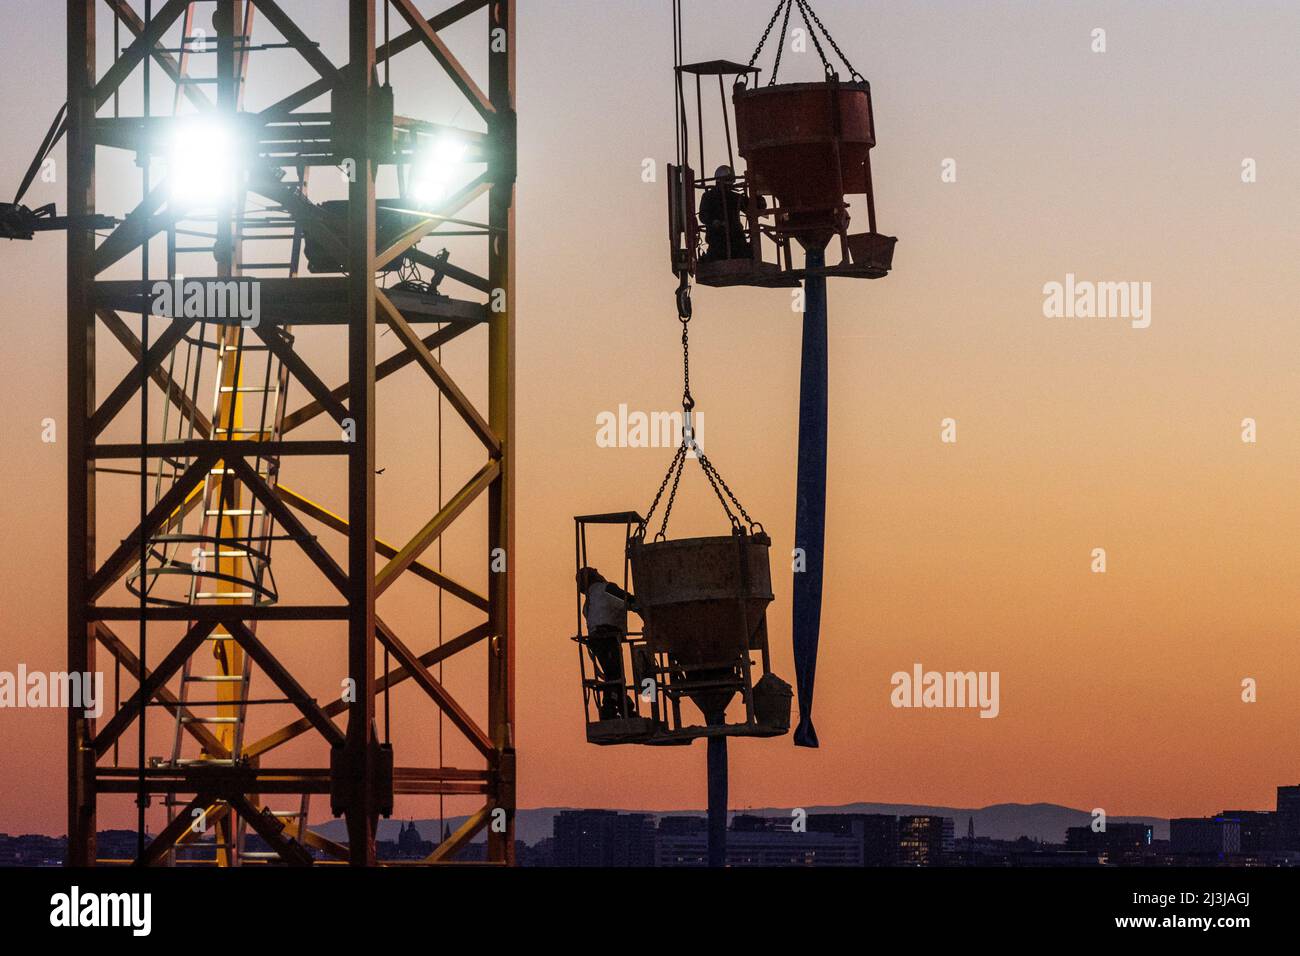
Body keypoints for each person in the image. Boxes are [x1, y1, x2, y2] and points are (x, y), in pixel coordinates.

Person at [577, 567, 638, 720]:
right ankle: (612, 708)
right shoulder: (607, 589)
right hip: (608, 637)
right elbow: (629, 601)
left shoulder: (588, 600)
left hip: (596, 640)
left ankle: (622, 707)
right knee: (615, 675)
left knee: (613, 674)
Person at [698, 165, 757, 262]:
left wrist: (757, 199)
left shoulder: (733, 197)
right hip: (720, 241)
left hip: (731, 241)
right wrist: (714, 222)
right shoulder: (712, 196)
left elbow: (752, 206)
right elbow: (703, 216)